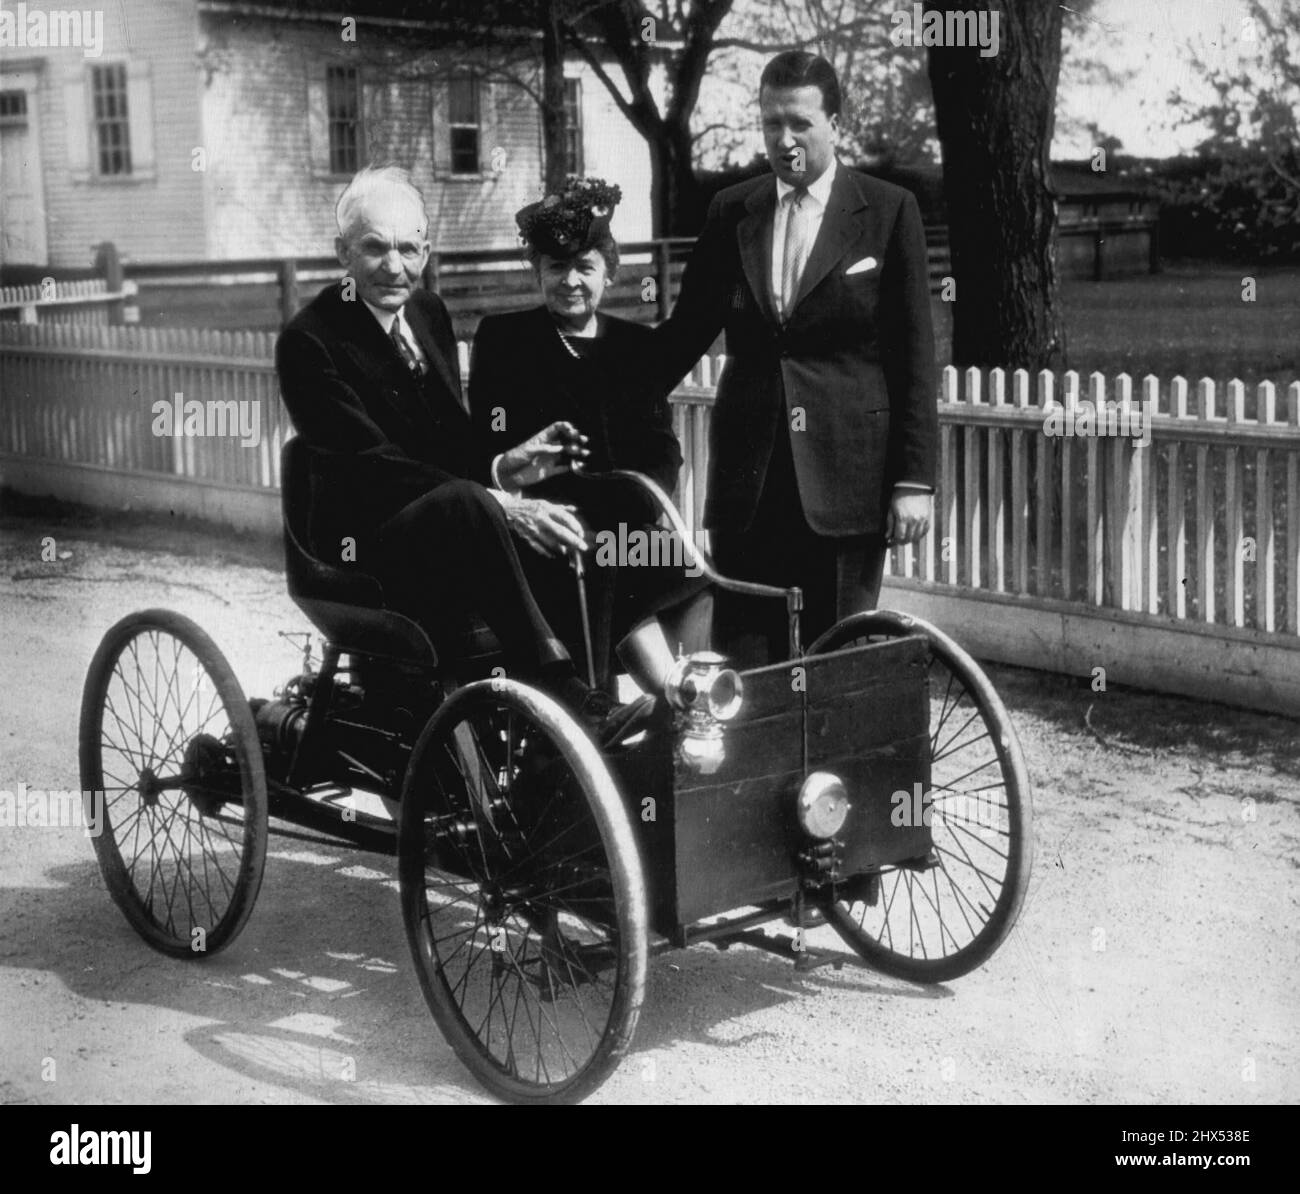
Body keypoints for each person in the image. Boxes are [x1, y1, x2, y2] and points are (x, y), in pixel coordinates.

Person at [274, 165, 650, 741]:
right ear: (342, 253)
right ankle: (563, 693)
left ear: (426, 249)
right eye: (374, 248)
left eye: (407, 248)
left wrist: (506, 466)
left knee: (571, 518)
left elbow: (449, 443)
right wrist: (499, 501)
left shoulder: (427, 314)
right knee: (472, 505)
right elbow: (370, 466)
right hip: (359, 545)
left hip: (445, 521)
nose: (393, 266)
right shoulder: (310, 340)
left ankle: (578, 728)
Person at [653, 51, 938, 663]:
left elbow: (914, 356)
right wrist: (595, 380)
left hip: (847, 484)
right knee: (749, 667)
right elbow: (684, 334)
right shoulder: (733, 211)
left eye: (801, 124)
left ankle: (835, 766)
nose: (784, 141)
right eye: (771, 124)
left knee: (838, 660)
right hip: (748, 484)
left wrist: (914, 480)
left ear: (837, 124)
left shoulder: (889, 212)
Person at [470, 177, 709, 695]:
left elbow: (662, 449)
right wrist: (516, 469)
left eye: (585, 267)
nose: (571, 281)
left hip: (624, 524)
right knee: (609, 559)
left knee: (690, 571)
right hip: (541, 529)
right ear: (537, 271)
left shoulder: (635, 348)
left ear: (609, 275)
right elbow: (486, 447)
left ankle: (687, 702)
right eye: (557, 267)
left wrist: (644, 502)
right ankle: (653, 698)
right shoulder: (504, 340)